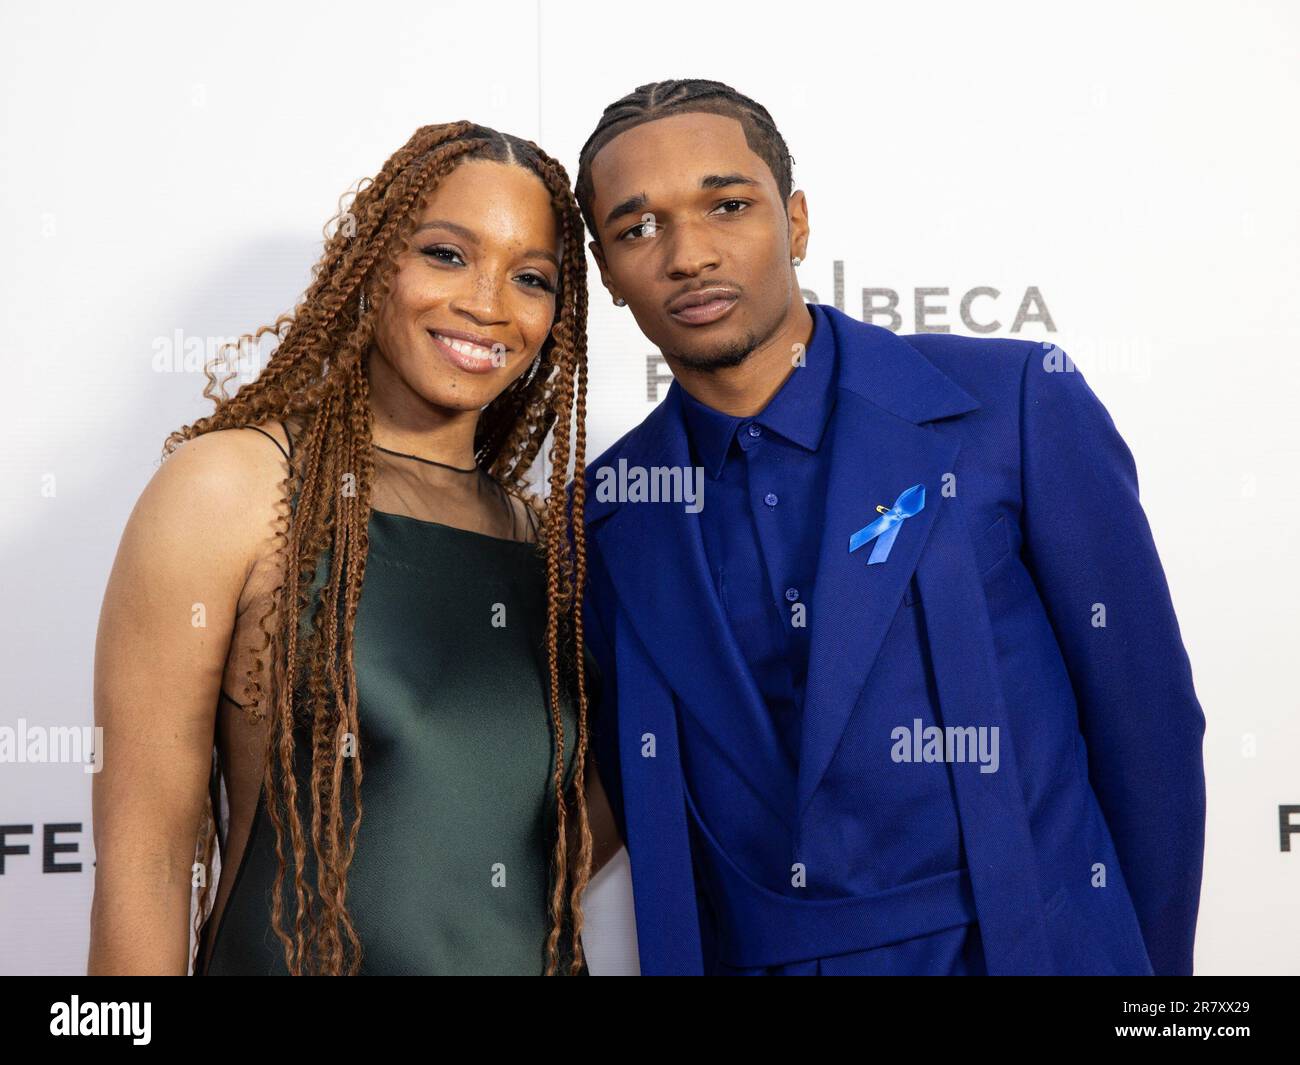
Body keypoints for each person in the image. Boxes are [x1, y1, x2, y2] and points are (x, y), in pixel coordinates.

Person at [572, 79, 1207, 975]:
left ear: (796, 223)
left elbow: (1150, 731)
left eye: (728, 205)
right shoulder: (608, 510)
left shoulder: (1014, 402)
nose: (689, 254)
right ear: (606, 272)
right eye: (639, 228)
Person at [88, 121, 621, 976]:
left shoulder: (547, 545)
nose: (488, 301)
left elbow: (542, 853)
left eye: (531, 278)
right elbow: (146, 864)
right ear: (376, 263)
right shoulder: (236, 488)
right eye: (447, 254)